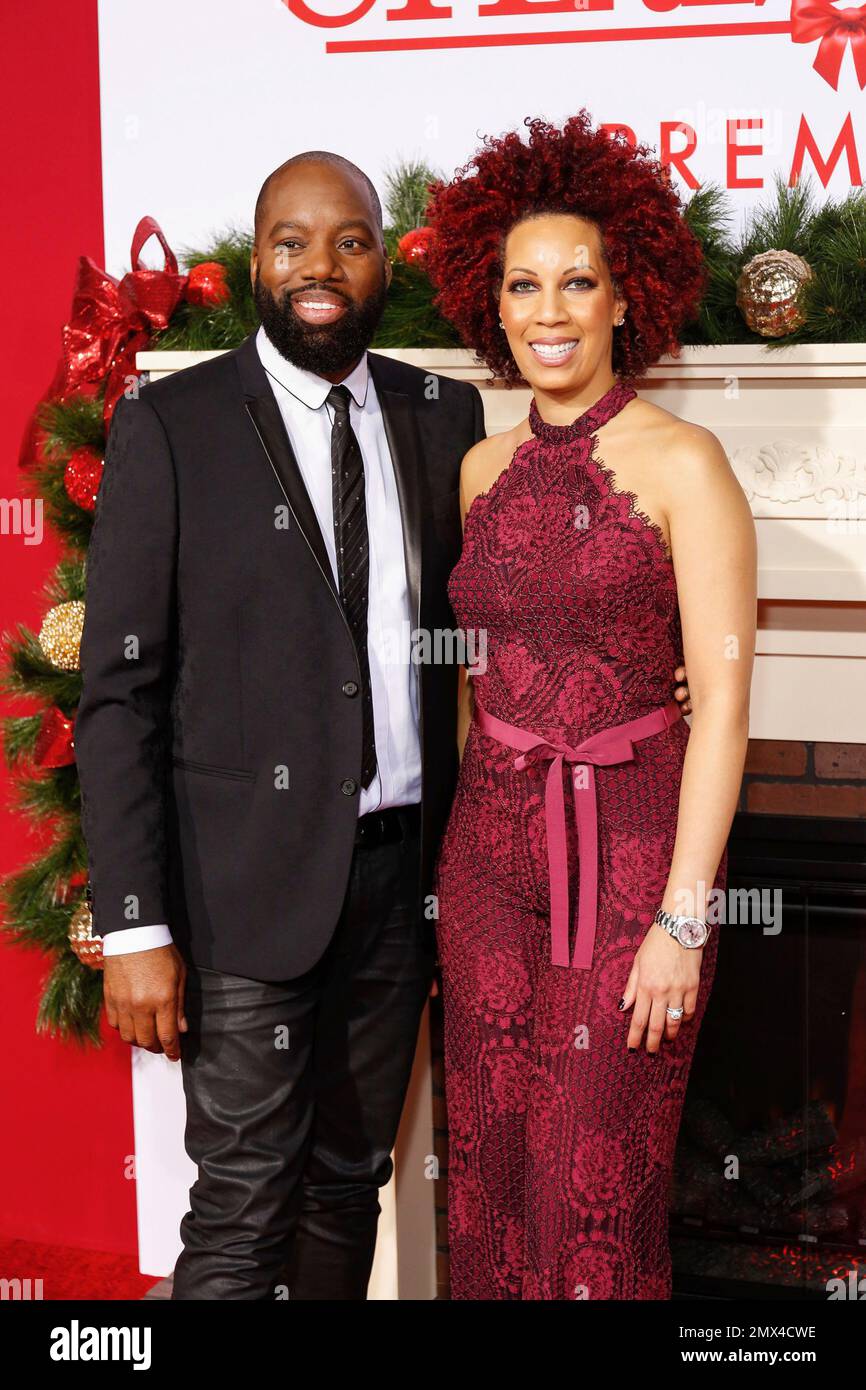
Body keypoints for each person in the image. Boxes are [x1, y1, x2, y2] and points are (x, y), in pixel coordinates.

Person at [75, 146, 693, 1301]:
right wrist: (133, 923)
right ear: (254, 260)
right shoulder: (172, 424)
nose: (320, 265)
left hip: (406, 887)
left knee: (346, 1184)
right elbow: (118, 693)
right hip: (243, 888)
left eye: (349, 240)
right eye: (292, 241)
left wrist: (654, 678)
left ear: (380, 261)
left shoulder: (437, 411)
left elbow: (506, 611)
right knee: (244, 1198)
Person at [425, 111, 757, 1300]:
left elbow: (719, 704)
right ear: (492, 302)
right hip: (484, 868)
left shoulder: (685, 462)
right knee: (494, 1182)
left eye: (578, 281)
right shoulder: (475, 467)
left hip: (628, 861)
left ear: (626, 298)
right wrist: (462, 853)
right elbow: (479, 675)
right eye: (524, 284)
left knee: (589, 1195)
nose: (549, 310)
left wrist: (681, 919)